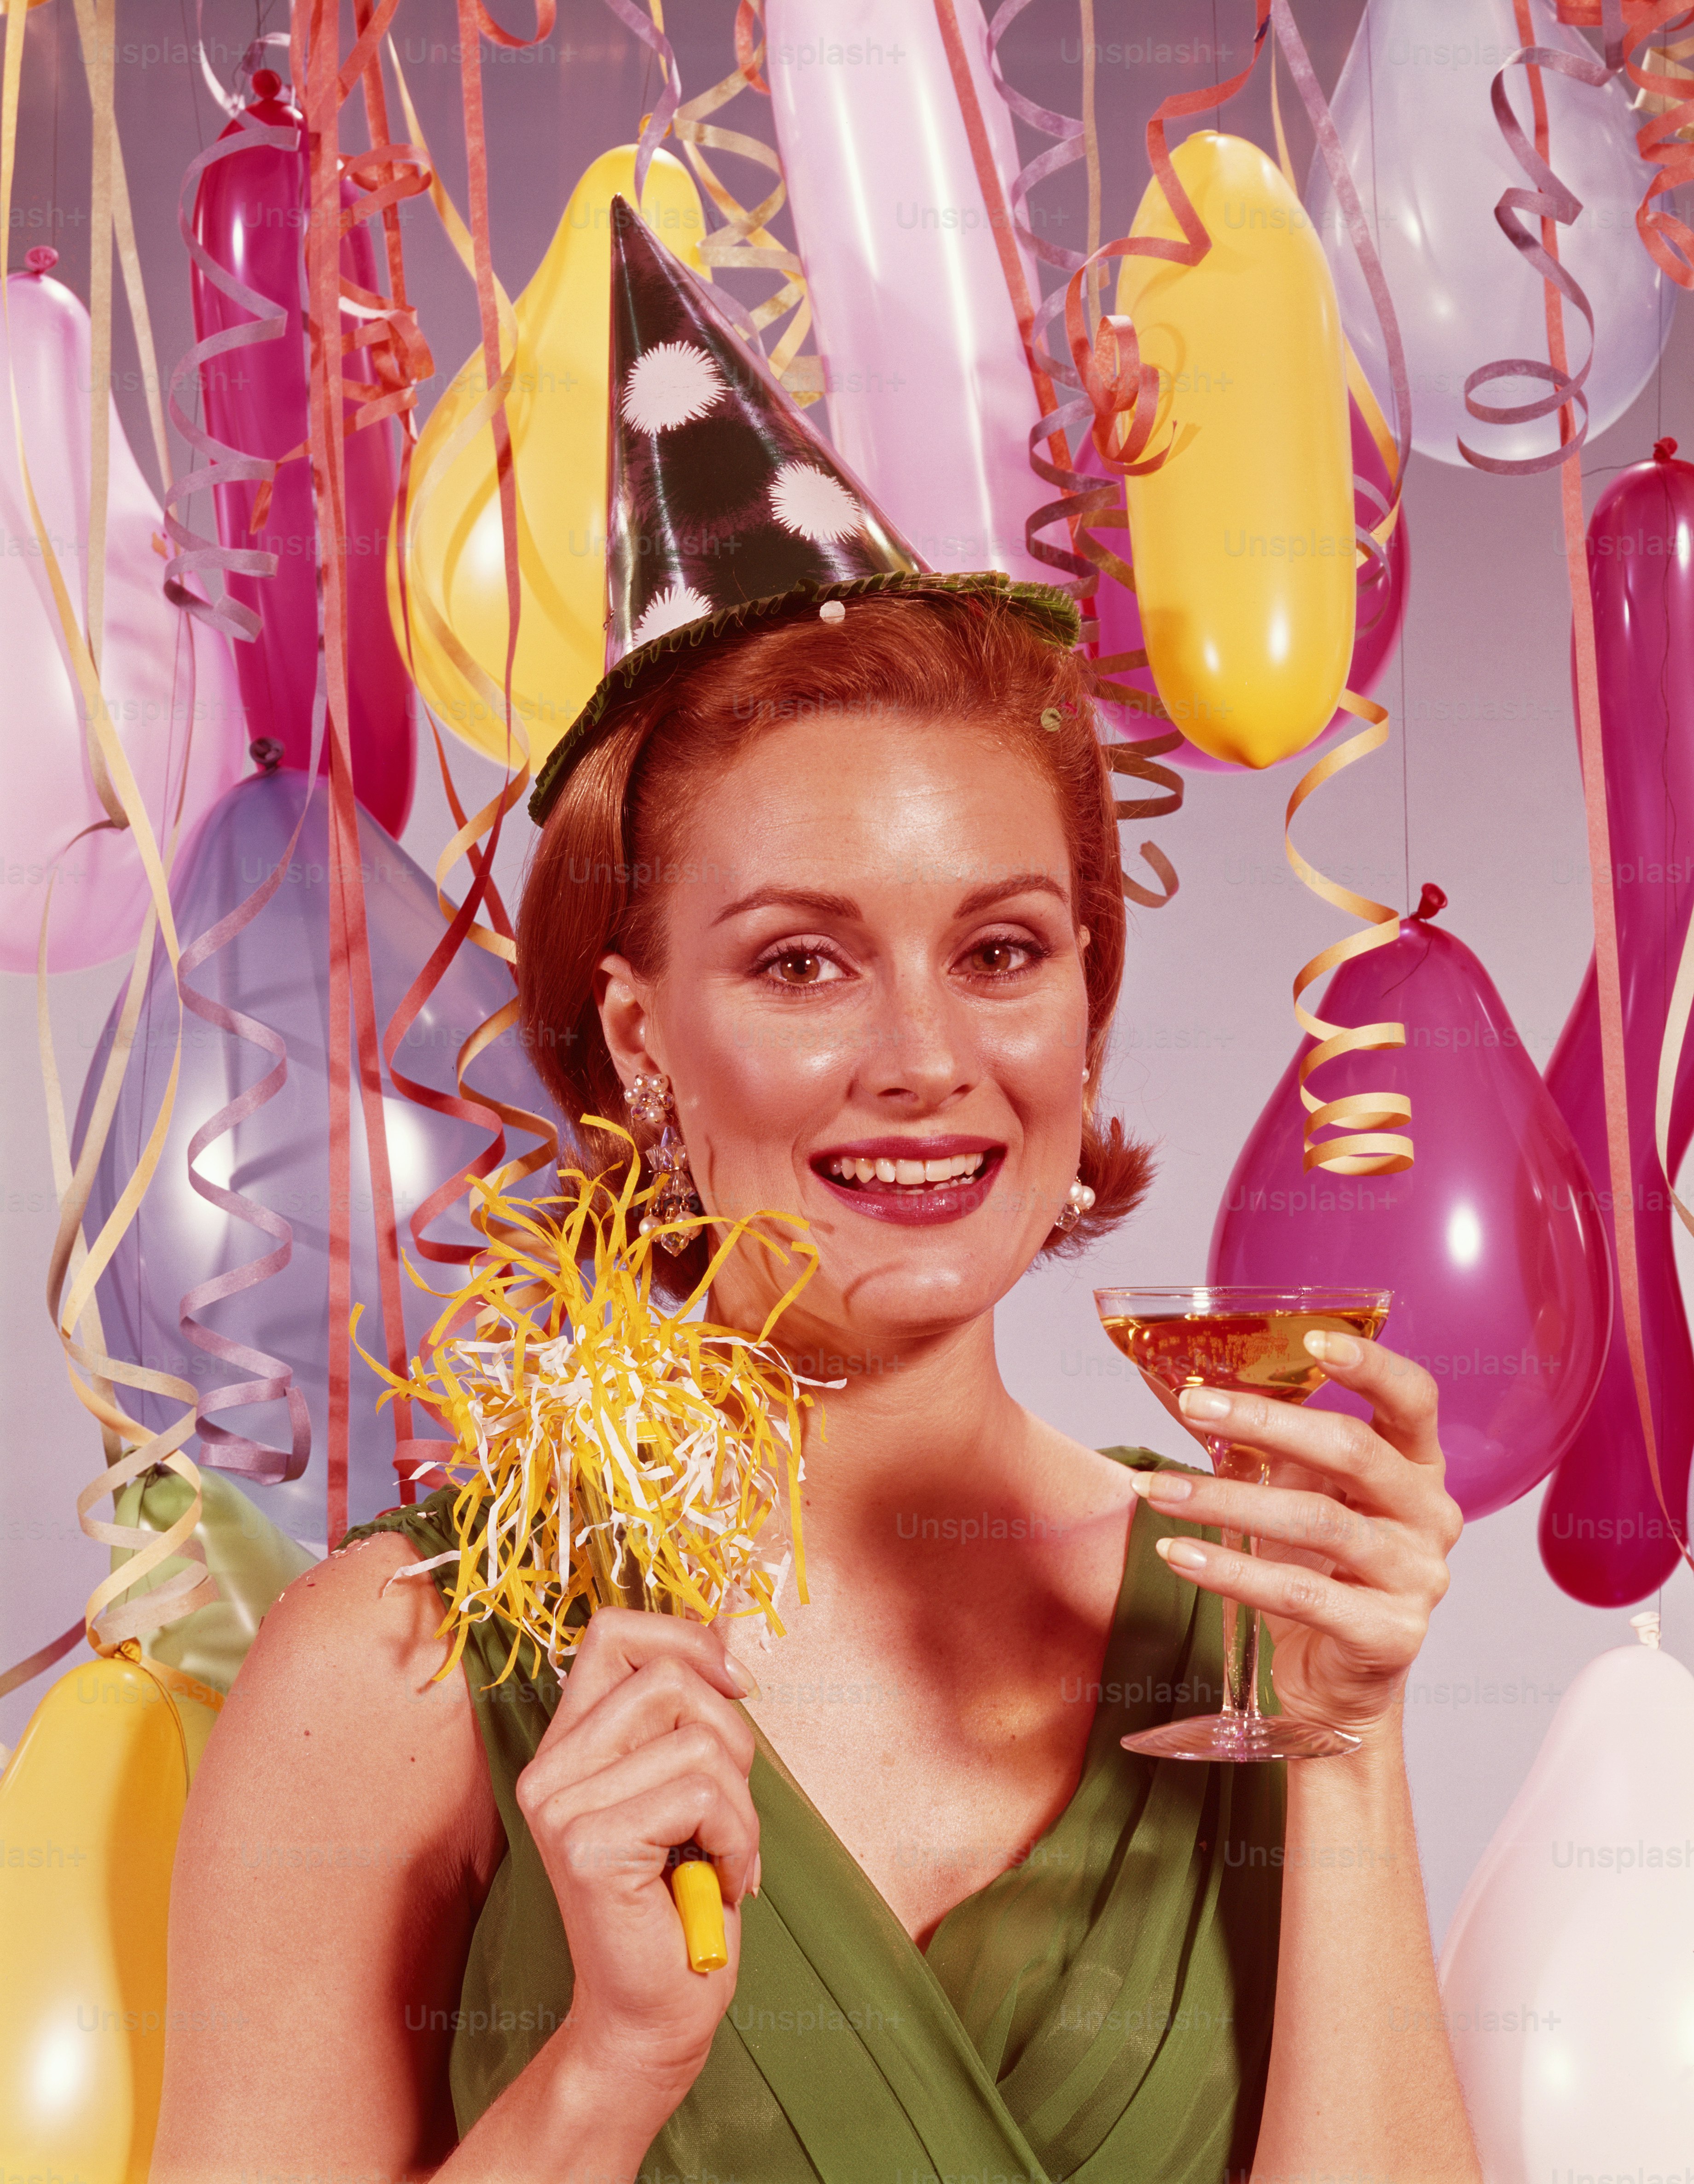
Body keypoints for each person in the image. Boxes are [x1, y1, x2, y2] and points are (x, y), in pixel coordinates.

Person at [151, 201, 1478, 2184]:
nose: (926, 1056)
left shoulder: (1241, 1618)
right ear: (640, 1034)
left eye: (1002, 951)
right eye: (800, 962)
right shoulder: (401, 1662)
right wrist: (611, 2066)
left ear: (1088, 1009)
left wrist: (1345, 1741)